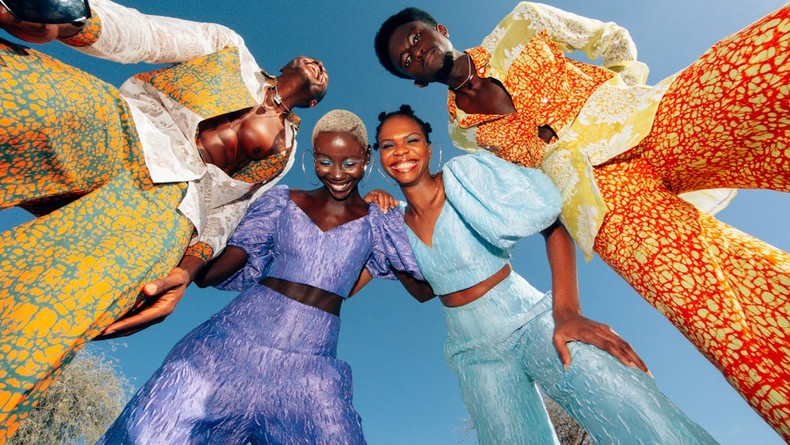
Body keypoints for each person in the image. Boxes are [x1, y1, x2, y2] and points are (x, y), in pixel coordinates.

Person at [373, 3, 790, 439]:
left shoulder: (522, 23)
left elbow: (611, 38)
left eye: (416, 38)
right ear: (415, 79)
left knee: (762, 64)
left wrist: (622, 89)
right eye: (406, 60)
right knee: (720, 319)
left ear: (439, 30)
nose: (415, 53)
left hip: (649, 120)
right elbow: (531, 197)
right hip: (607, 205)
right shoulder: (464, 135)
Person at [0, 0, 328, 440]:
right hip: (124, 126)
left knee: (51, 309)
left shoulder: (284, 152)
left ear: (313, 100)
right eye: (312, 59)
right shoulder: (229, 48)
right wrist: (75, 18)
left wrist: (185, 272)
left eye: (325, 77)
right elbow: (147, 34)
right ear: (286, 63)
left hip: (171, 211)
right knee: (23, 97)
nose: (319, 66)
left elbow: (227, 211)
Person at [369, 105, 717, 444]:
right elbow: (424, 290)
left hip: (528, 317)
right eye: (388, 145)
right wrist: (373, 220)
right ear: (379, 158)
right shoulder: (391, 223)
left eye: (411, 140)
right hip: (472, 351)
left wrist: (567, 311)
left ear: (429, 148)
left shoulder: (465, 176)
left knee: (623, 399)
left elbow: (551, 218)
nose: (401, 151)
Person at [97, 109, 432, 444]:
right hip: (225, 348)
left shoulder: (380, 221)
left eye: (350, 163)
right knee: (149, 433)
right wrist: (188, 257)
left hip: (310, 372)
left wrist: (397, 228)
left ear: (367, 158)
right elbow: (216, 270)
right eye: (325, 161)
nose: (337, 173)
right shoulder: (282, 200)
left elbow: (424, 290)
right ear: (313, 157)